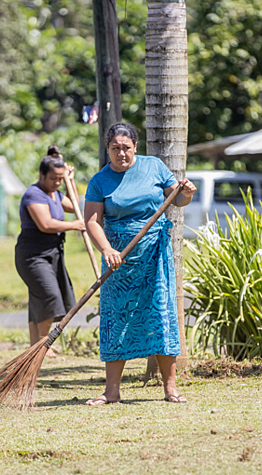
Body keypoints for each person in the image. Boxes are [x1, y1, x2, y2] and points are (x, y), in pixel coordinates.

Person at [82, 123, 197, 405]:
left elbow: (178, 199)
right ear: (107, 149)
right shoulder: (99, 181)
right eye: (115, 148)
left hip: (154, 255)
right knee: (117, 318)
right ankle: (112, 391)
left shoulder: (154, 167)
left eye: (126, 147)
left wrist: (188, 193)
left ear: (135, 146)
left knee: (160, 315)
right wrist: (107, 248)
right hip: (118, 259)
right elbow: (92, 221)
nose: (121, 153)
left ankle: (170, 389)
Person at [15, 146, 86, 351]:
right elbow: (45, 224)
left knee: (39, 300)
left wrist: (70, 181)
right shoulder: (33, 194)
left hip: (52, 253)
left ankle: (34, 347)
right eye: (53, 178)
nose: (56, 183)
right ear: (42, 174)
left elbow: (75, 206)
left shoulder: (56, 193)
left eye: (60, 179)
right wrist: (74, 225)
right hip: (32, 256)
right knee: (49, 296)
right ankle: (42, 345)